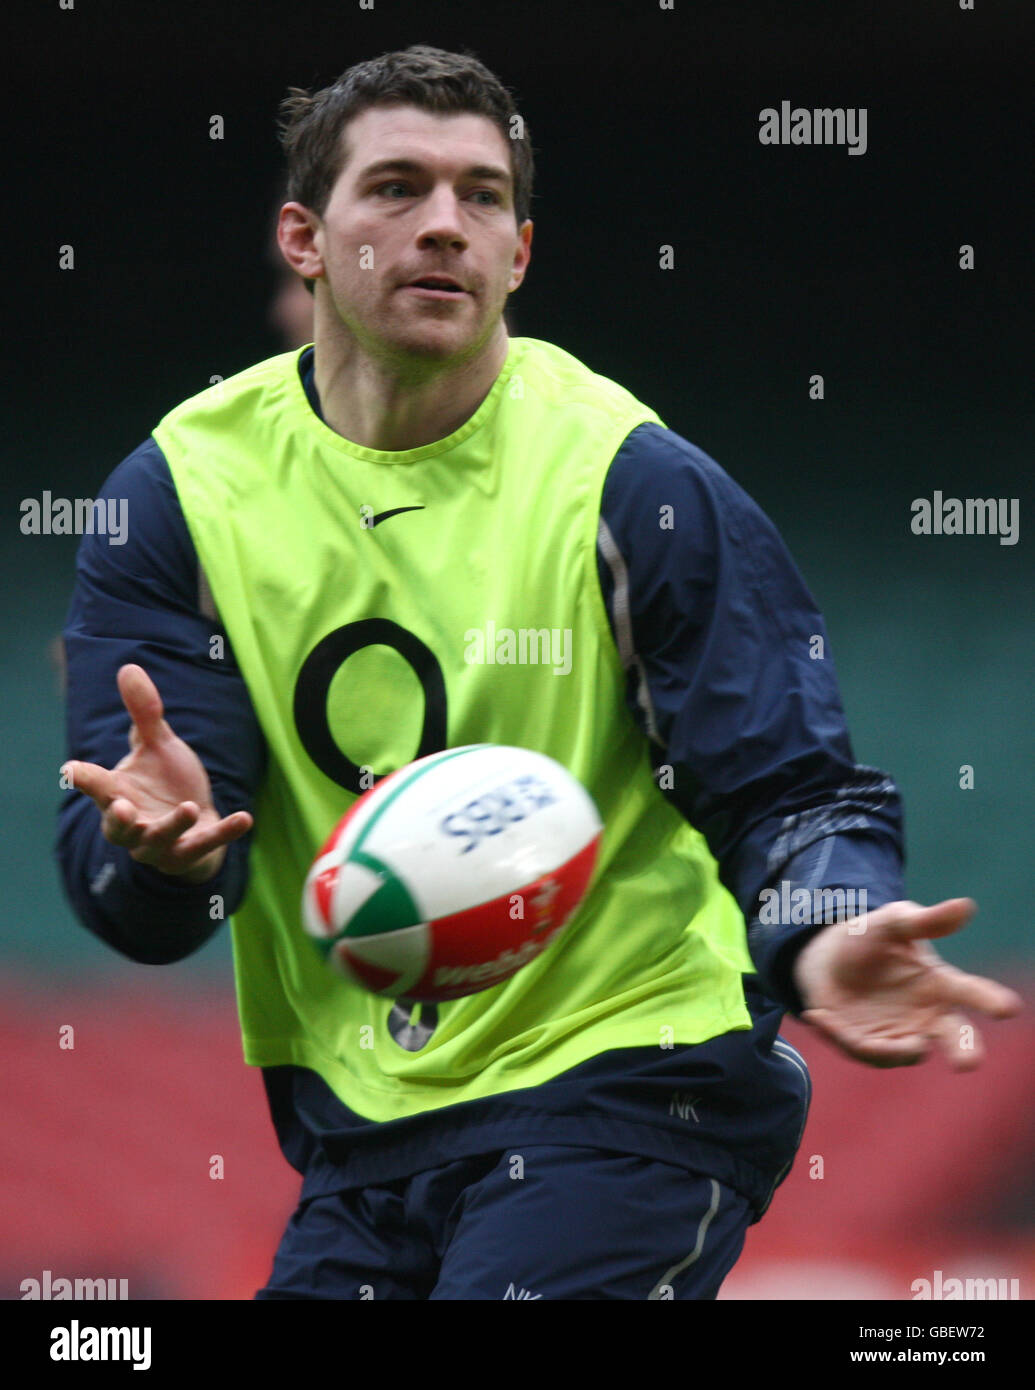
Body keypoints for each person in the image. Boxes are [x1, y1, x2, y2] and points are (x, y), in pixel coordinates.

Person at [56, 44, 1021, 1301]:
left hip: (633, 1080)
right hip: (363, 1125)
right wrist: (158, 857)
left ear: (520, 253)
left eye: (482, 198)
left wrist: (824, 931)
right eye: (397, 188)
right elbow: (156, 883)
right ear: (303, 236)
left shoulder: (636, 481)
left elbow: (789, 781)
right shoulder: (178, 492)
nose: (444, 226)